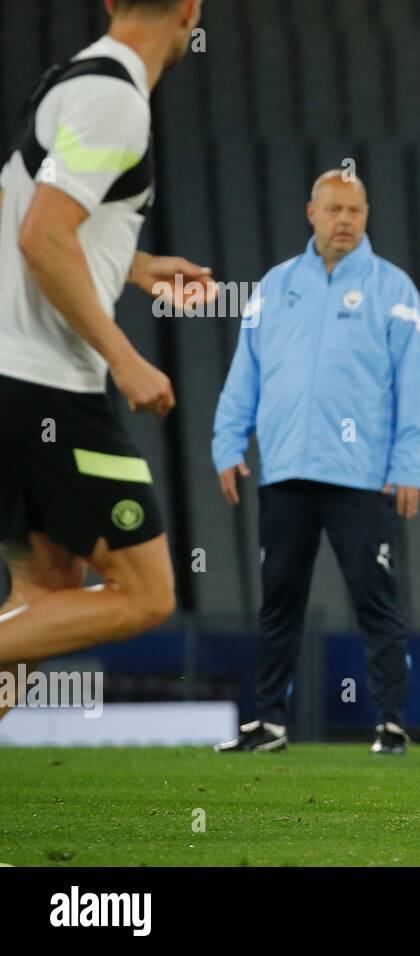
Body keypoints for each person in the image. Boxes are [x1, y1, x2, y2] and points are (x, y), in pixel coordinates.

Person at [0, 0, 210, 714]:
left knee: (42, 602)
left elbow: (24, 216)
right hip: (45, 382)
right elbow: (40, 237)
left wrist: (135, 263)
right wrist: (125, 359)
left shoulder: (68, 80)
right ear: (190, 10)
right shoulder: (115, 99)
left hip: (14, 375)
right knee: (145, 594)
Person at [211, 170, 420, 756]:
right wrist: (226, 444)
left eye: (354, 210)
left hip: (361, 477)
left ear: (366, 214)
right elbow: (245, 375)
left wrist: (409, 464)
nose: (344, 220)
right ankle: (270, 723)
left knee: (373, 598)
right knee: (278, 598)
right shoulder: (274, 286)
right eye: (333, 209)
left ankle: (390, 721)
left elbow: (415, 384)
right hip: (285, 472)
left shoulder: (395, 290)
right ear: (311, 212)